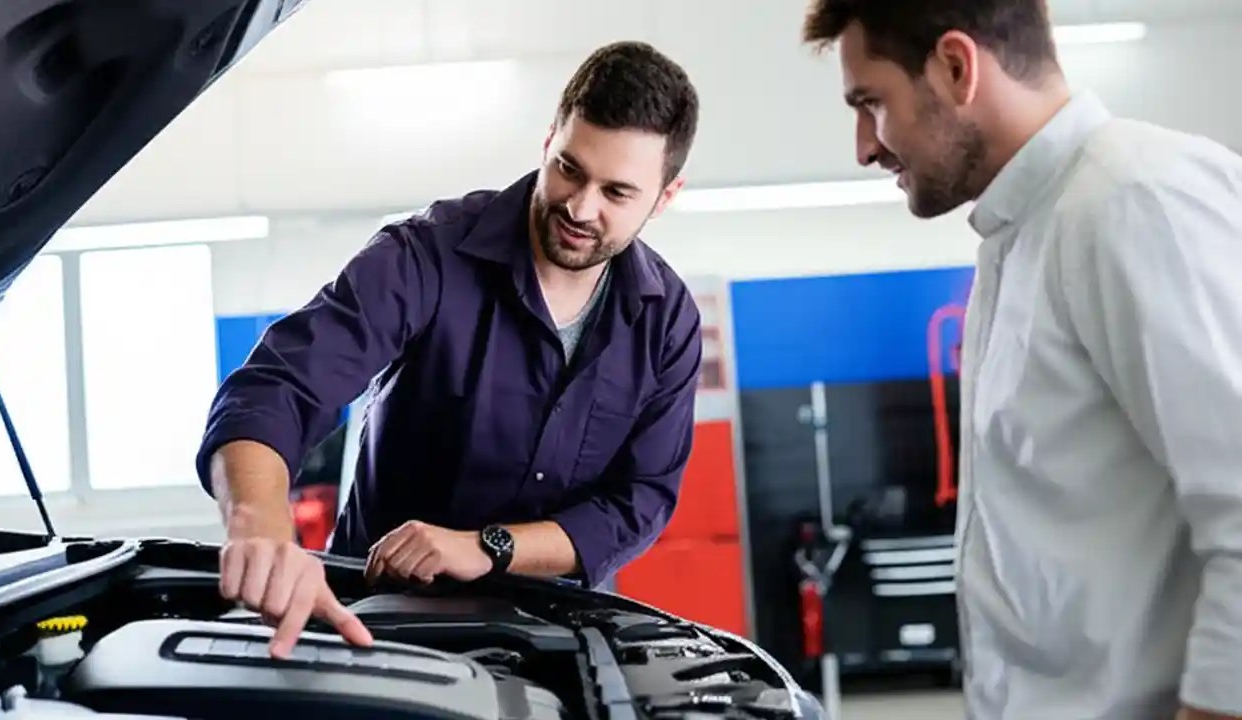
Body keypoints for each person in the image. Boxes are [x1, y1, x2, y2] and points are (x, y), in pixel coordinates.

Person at [801, 2, 1242, 719]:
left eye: (870, 103)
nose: (864, 146)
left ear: (954, 67)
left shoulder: (1133, 203)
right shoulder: (1023, 238)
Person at [196, 40, 703, 659]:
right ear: (549, 142)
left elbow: (639, 500)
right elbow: (278, 386)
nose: (580, 205)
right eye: (569, 168)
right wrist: (261, 528)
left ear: (665, 195)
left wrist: (488, 546)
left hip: (548, 641)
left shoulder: (666, 322)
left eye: (617, 193)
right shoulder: (424, 257)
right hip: (382, 629)